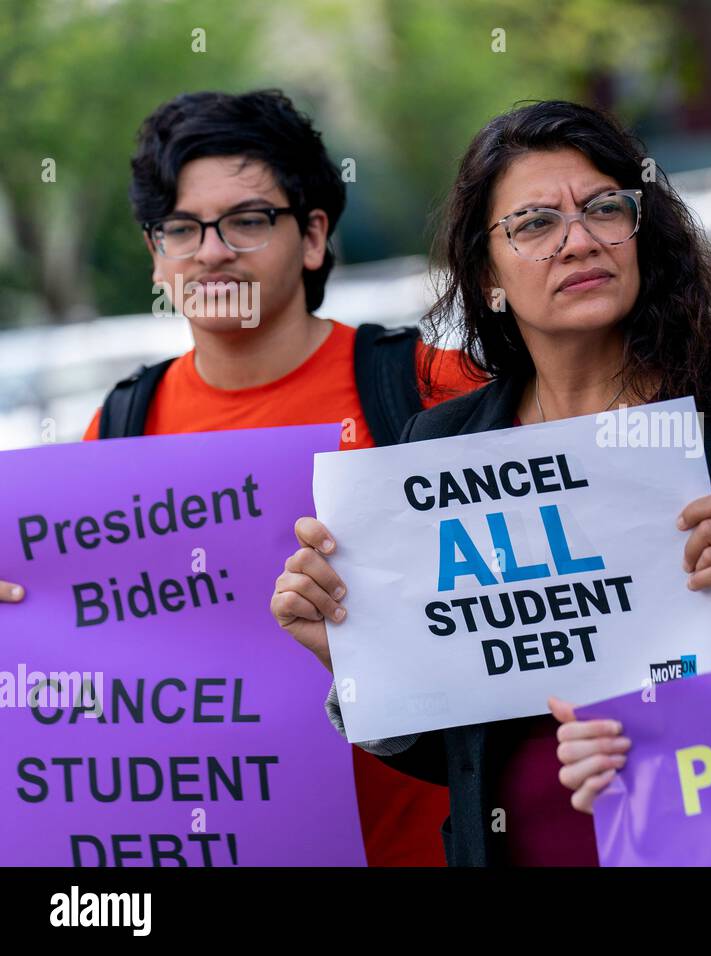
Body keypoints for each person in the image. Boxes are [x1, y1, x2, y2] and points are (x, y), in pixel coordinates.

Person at [271, 100, 711, 866]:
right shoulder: (442, 446)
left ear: (643, 232)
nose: (580, 240)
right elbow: (458, 759)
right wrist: (357, 655)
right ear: (487, 274)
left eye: (606, 208)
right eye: (535, 224)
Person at [71, 89, 479, 865]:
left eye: (248, 220)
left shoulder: (428, 387)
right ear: (157, 254)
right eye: (182, 229)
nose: (212, 250)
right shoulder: (119, 428)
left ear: (315, 235)